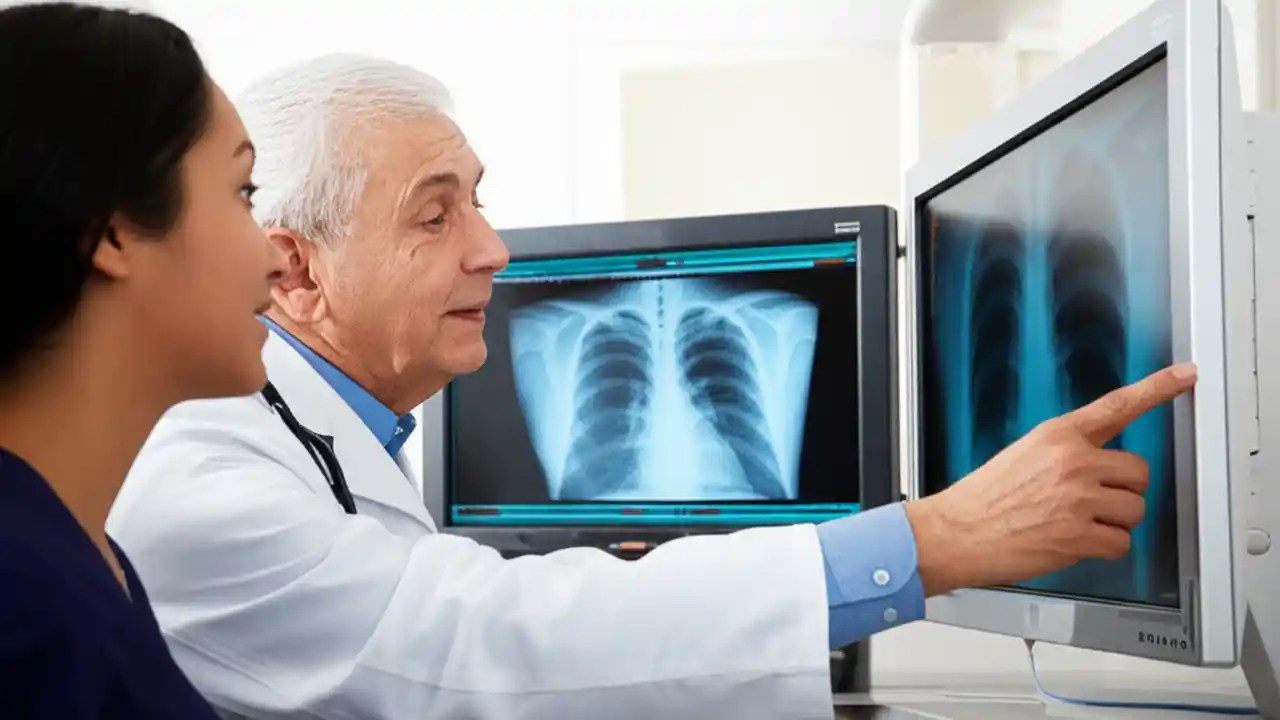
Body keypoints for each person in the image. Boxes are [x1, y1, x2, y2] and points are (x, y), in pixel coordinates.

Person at [108, 52, 1197, 720]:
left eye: (480, 201)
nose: (493, 249)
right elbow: (454, 651)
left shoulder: (329, 441)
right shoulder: (190, 464)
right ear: (296, 269)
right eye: (435, 214)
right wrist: (931, 540)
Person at [0, 2, 287, 717]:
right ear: (117, 230)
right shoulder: (26, 605)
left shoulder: (82, 557)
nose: (277, 257)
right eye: (242, 194)